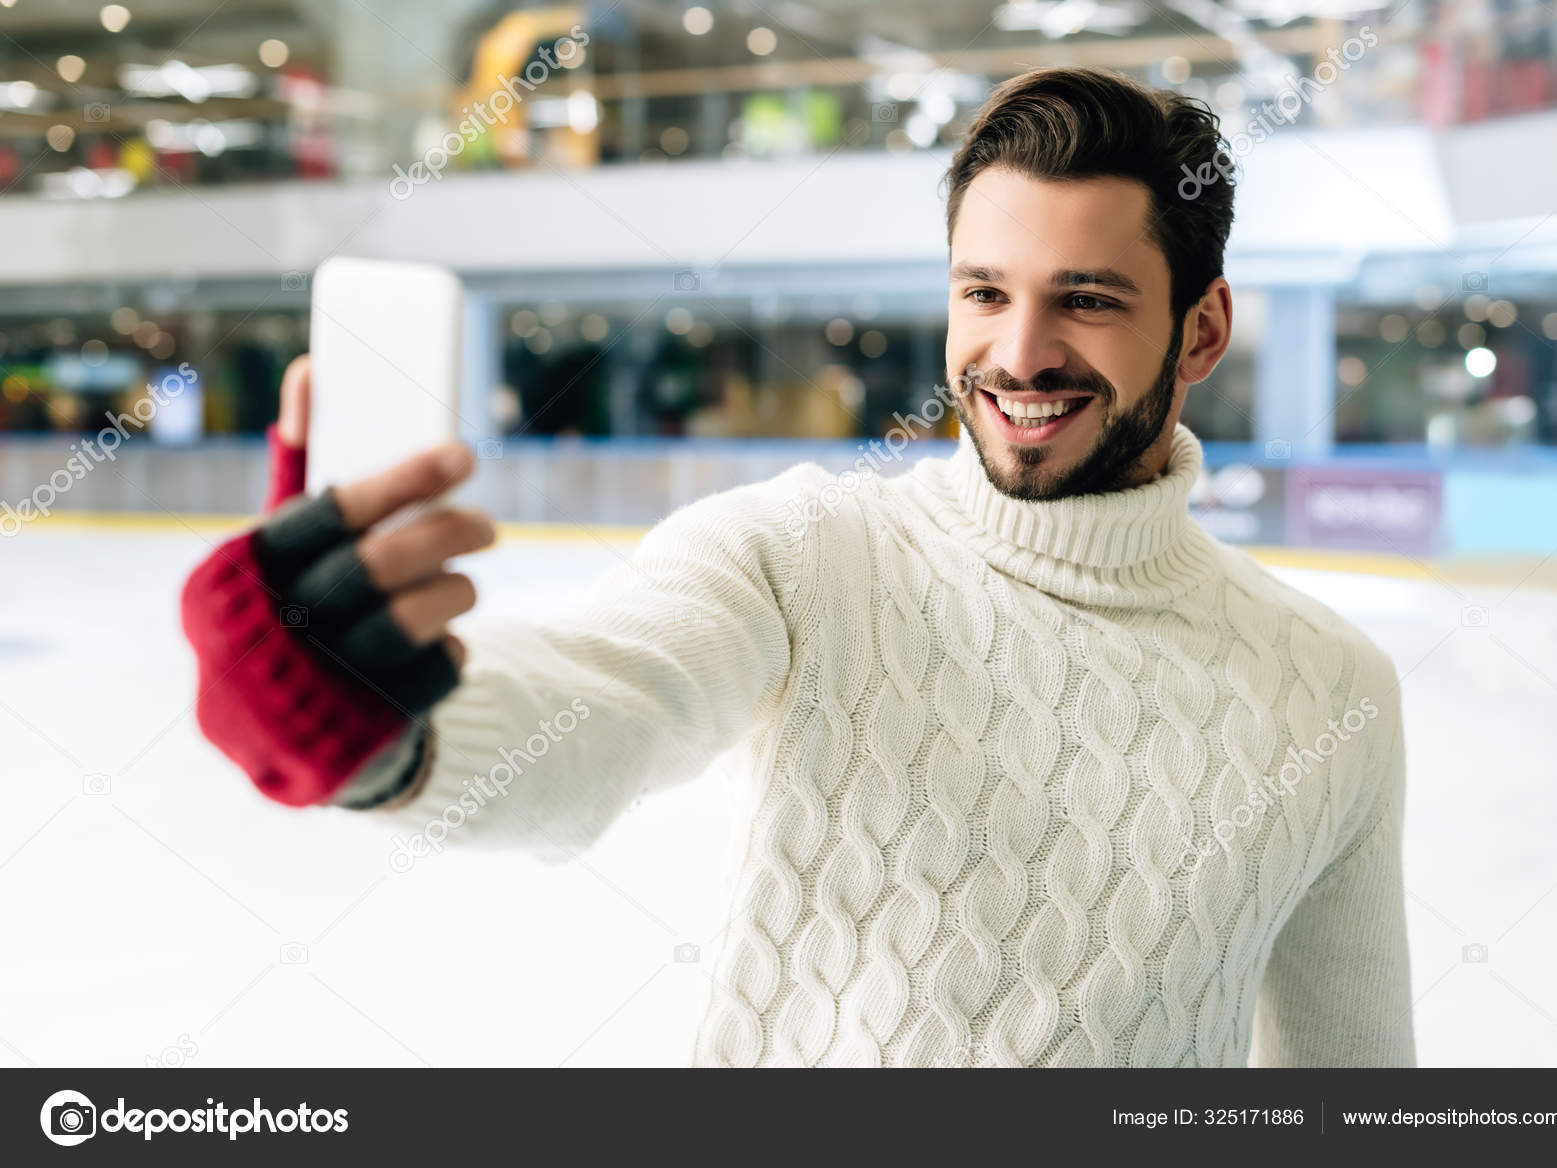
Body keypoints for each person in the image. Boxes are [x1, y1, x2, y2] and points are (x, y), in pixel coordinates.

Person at [181, 66, 1415, 1068]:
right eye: (983, 291)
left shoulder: (1329, 689)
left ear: (1201, 328)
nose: (1018, 351)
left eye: (1084, 299)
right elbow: (590, 715)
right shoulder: (805, 554)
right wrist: (382, 722)